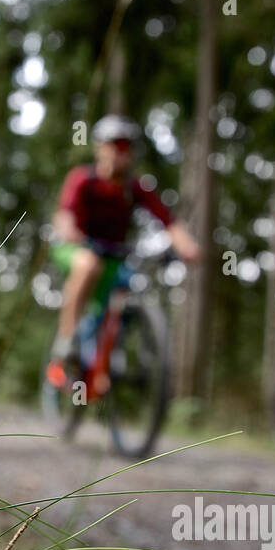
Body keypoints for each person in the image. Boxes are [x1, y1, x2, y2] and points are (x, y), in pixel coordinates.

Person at [48, 114, 200, 367]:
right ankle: (66, 340)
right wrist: (69, 229)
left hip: (113, 256)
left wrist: (186, 246)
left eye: (126, 148)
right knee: (88, 265)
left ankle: (108, 358)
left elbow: (168, 221)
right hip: (75, 247)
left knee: (130, 286)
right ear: (100, 147)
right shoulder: (83, 179)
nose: (120, 153)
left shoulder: (135, 187)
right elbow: (64, 214)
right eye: (114, 145)